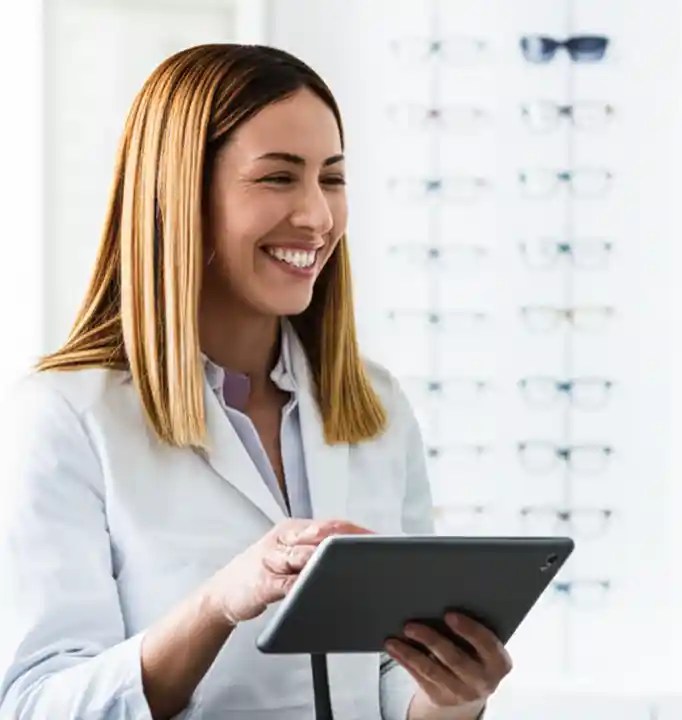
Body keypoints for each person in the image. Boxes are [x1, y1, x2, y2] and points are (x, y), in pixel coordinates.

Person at [0, 44, 509, 719]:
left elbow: (388, 682)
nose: (317, 217)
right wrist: (217, 605)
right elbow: (36, 704)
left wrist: (454, 697)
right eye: (277, 178)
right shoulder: (65, 417)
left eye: (331, 178)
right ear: (180, 193)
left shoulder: (377, 407)